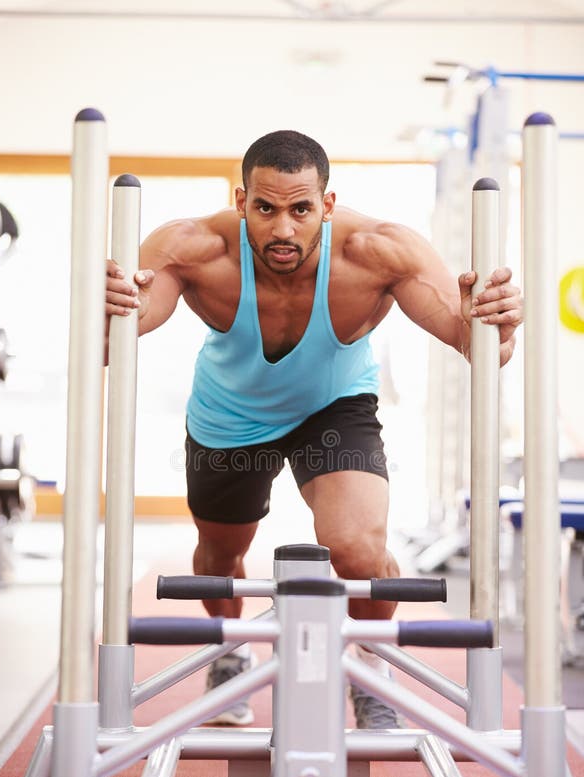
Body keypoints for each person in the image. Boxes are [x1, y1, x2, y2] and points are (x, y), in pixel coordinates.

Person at [105, 130, 522, 729]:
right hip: (231, 411)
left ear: (326, 206)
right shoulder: (191, 247)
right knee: (221, 554)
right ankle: (232, 652)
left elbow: (474, 343)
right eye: (265, 208)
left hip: (333, 408)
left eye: (301, 209)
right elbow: (120, 333)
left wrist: (494, 324)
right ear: (240, 198)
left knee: (357, 548)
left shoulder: (380, 251)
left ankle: (372, 667)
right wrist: (108, 305)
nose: (282, 230)